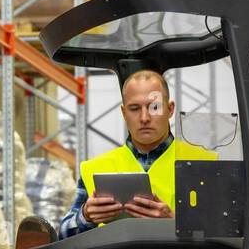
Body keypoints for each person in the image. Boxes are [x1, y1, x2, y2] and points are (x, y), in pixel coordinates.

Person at [58, 69, 217, 238]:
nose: (144, 117)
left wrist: (173, 223)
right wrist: (86, 216)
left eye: (154, 107)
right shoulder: (94, 168)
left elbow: (227, 239)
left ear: (170, 109)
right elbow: (63, 236)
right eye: (134, 108)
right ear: (124, 112)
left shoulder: (206, 164)